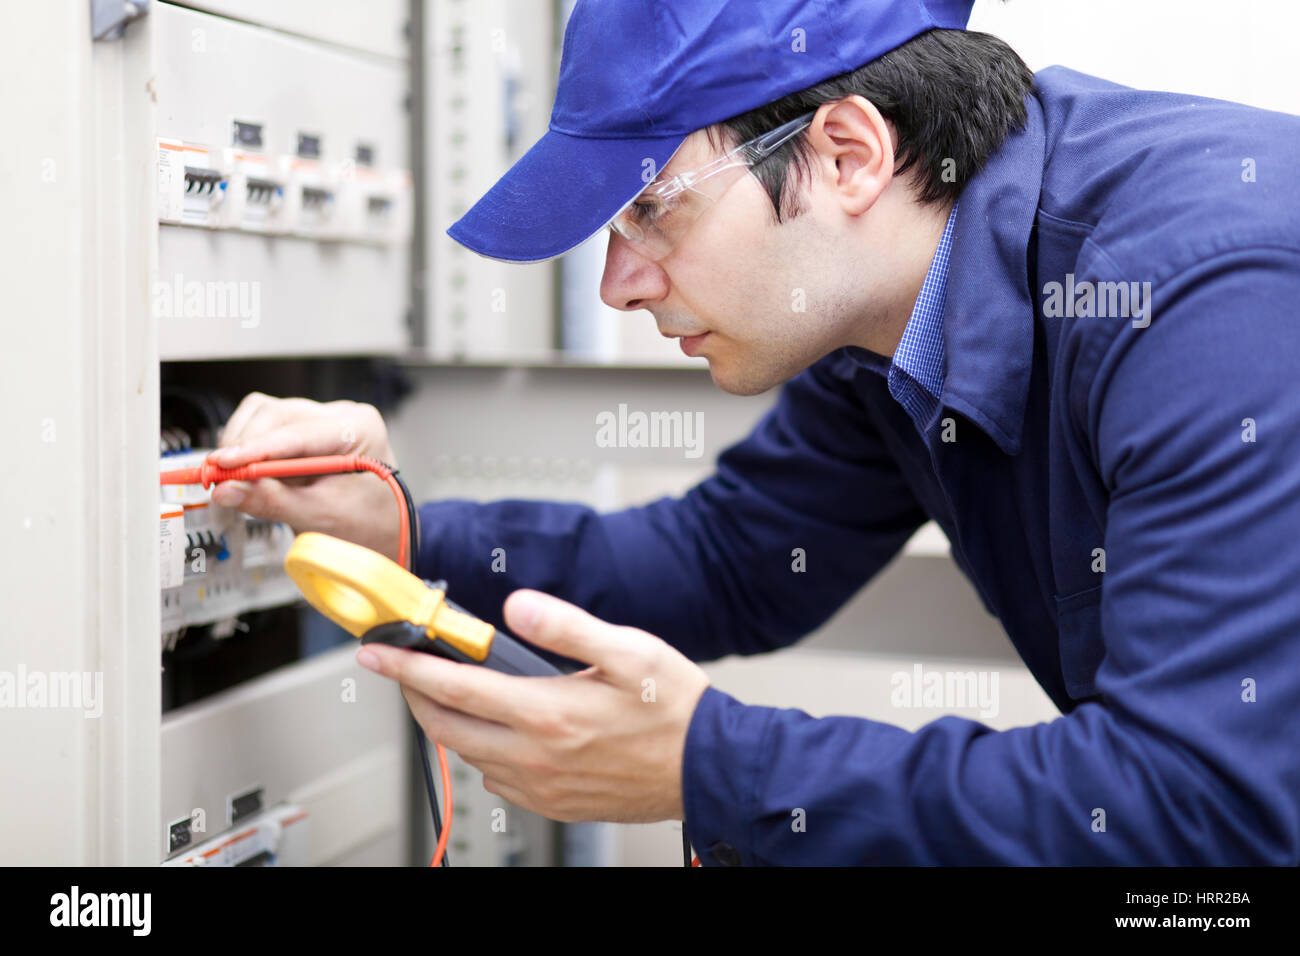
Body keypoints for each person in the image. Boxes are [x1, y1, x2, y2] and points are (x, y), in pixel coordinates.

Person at [207, 0, 1300, 864]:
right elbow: (735, 558)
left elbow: (1200, 812)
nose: (620, 283)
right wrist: (398, 533)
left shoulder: (1205, 296)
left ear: (845, 155)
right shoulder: (883, 313)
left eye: (648, 208)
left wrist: (706, 762)